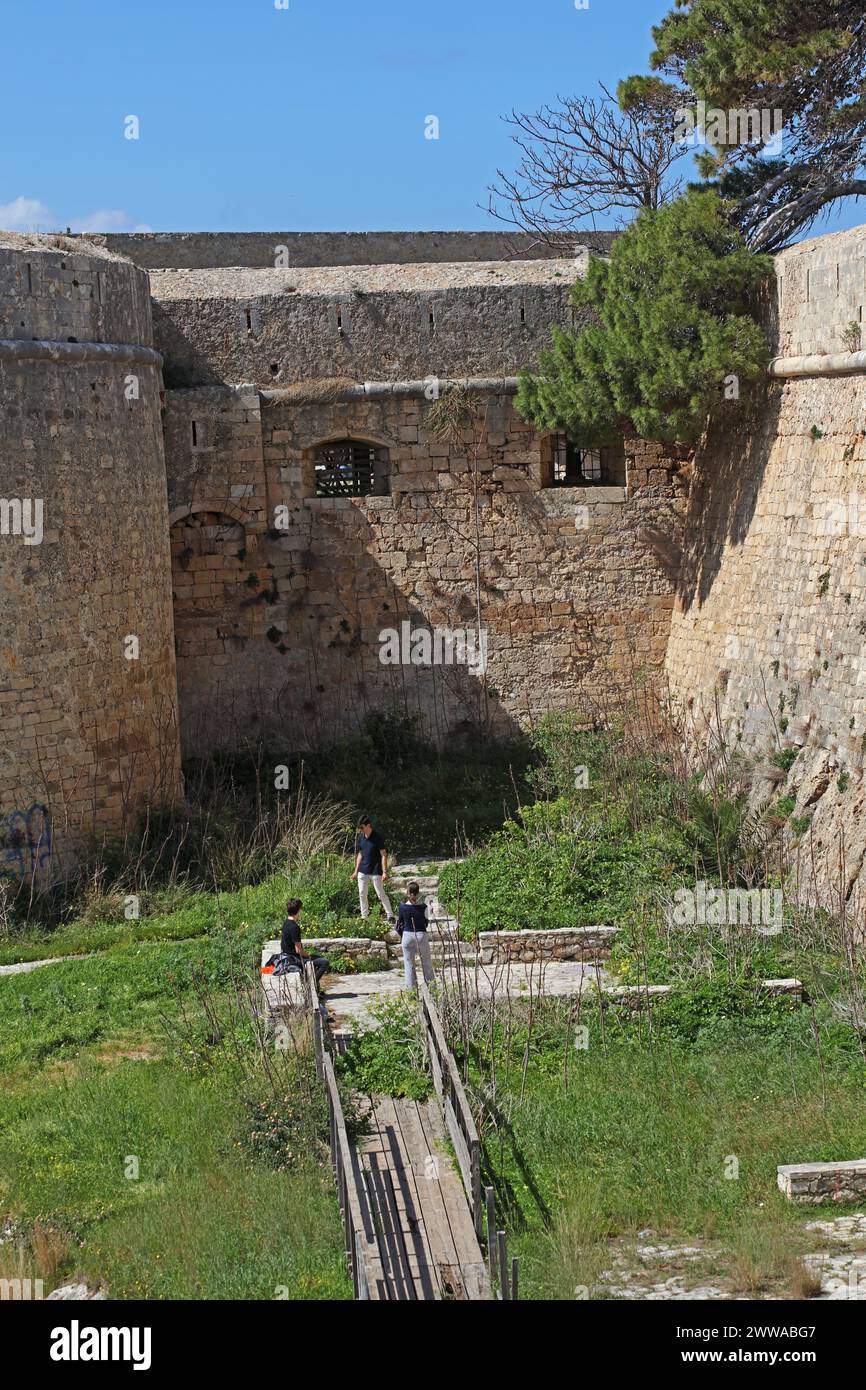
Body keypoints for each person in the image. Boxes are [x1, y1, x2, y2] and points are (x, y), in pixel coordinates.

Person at [351, 815, 395, 923]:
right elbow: (360, 854)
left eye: (362, 828)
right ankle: (364, 917)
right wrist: (355, 871)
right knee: (362, 893)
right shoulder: (361, 837)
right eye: (359, 828)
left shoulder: (377, 837)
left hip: (375, 870)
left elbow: (383, 854)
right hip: (362, 870)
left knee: (380, 893)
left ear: (368, 825)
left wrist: (384, 872)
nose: (360, 830)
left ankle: (390, 915)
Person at [281, 898, 330, 985]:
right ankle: (311, 984)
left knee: (317, 958)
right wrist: (308, 955)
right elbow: (298, 951)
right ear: (298, 911)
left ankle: (315, 986)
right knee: (324, 962)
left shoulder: (285, 923)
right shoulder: (294, 927)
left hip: (287, 956)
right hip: (294, 958)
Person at [397, 880, 435, 991]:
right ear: (418, 893)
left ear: (407, 893)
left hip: (407, 935)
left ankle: (411, 992)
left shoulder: (402, 907)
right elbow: (426, 923)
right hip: (421, 934)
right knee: (426, 963)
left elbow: (401, 922)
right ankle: (432, 989)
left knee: (409, 965)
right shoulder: (423, 907)